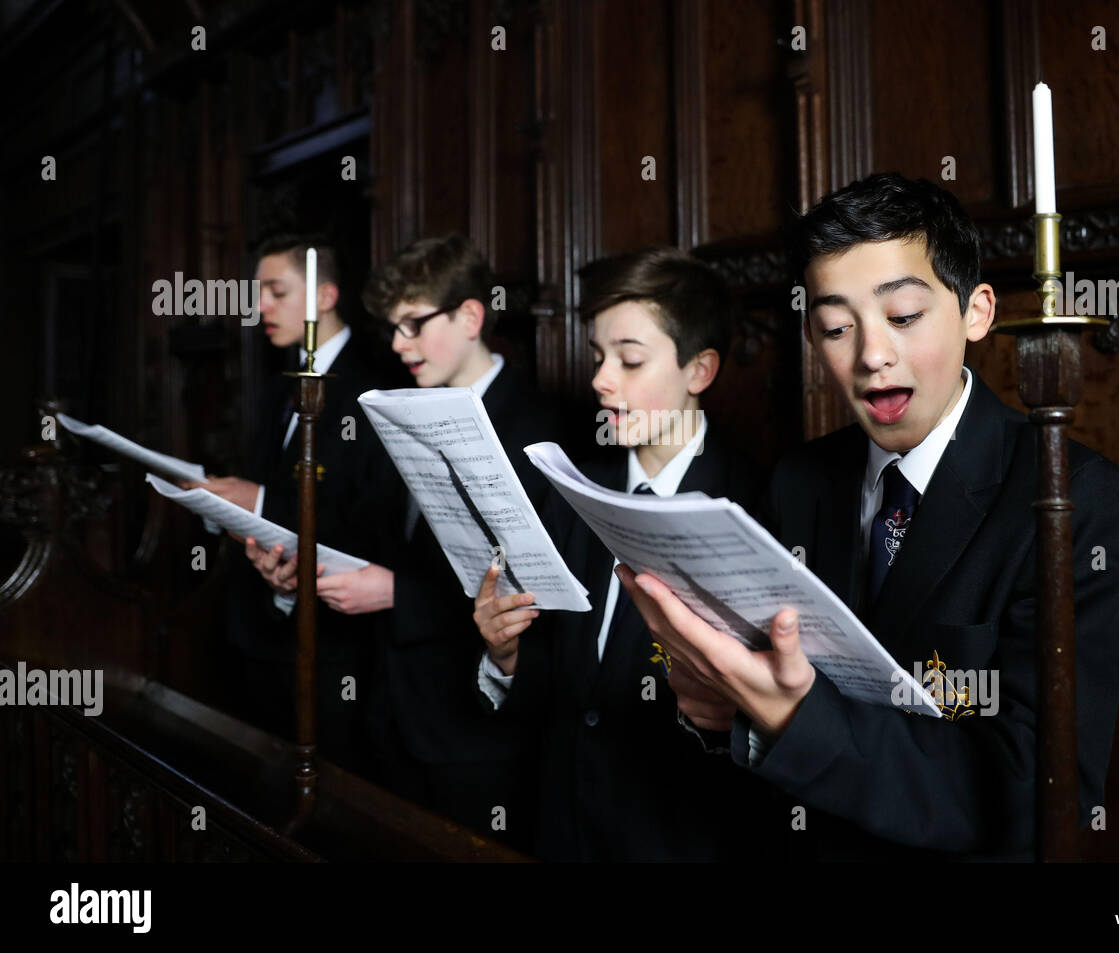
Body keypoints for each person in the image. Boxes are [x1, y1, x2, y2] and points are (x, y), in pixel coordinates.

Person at [614, 174, 1119, 861]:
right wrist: (723, 708)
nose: (870, 355)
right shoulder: (799, 481)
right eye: (837, 327)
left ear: (976, 312)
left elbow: (1038, 795)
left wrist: (794, 718)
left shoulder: (1070, 497)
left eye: (903, 316)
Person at [472, 246, 769, 861]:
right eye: (599, 356)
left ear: (700, 371)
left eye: (630, 360)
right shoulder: (570, 487)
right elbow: (555, 686)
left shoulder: (758, 506)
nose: (601, 379)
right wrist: (504, 655)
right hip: (557, 828)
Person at [311, 233, 561, 850]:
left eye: (414, 325)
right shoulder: (401, 410)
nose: (399, 345)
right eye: (393, 329)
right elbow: (379, 536)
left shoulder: (540, 427)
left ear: (471, 316)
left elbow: (540, 595)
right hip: (387, 713)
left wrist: (399, 593)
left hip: (476, 735)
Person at [190, 234, 406, 777]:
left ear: (326, 297)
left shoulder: (376, 384)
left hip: (337, 645)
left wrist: (258, 499)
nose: (261, 305)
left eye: (276, 291)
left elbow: (370, 515)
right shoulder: (274, 386)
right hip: (259, 624)